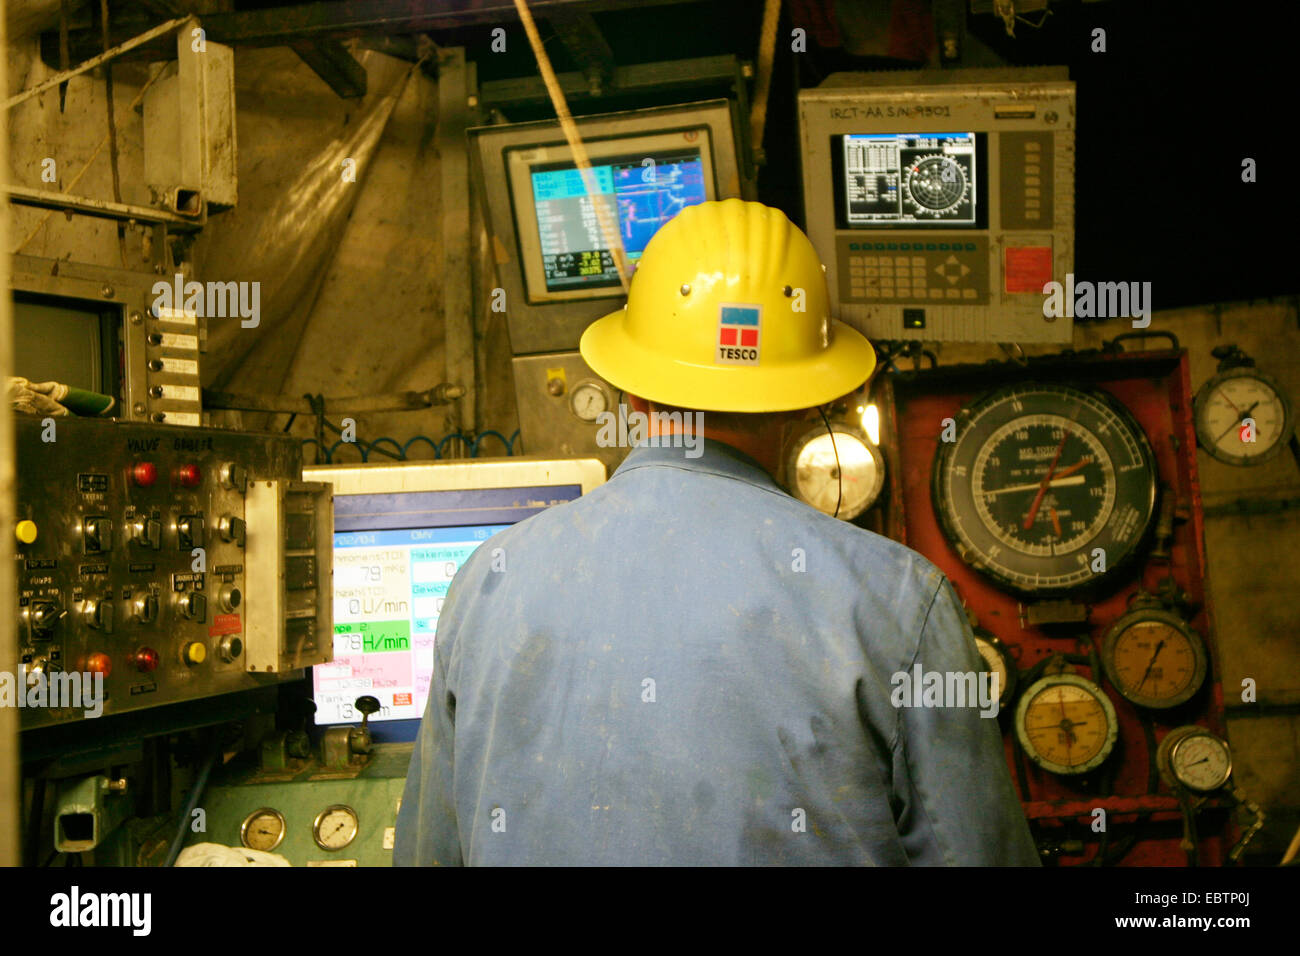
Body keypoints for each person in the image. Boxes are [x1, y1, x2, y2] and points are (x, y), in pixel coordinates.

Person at [394, 199, 1038, 865]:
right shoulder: (898, 601)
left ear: (633, 391)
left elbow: (428, 856)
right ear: (806, 398)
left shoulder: (487, 583)